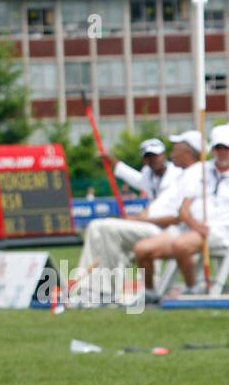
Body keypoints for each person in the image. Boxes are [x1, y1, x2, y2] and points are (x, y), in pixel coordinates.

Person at [75, 132, 200, 304]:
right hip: (152, 226)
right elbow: (139, 183)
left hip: (164, 231)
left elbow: (177, 216)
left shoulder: (183, 176)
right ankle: (94, 289)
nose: (153, 160)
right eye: (148, 157)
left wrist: (140, 219)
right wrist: (113, 161)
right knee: (97, 227)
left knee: (101, 227)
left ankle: (103, 290)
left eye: (156, 155)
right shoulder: (153, 175)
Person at [135, 126, 229, 293]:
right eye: (218, 148)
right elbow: (183, 208)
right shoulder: (201, 171)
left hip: (219, 231)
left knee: (181, 245)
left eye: (226, 148)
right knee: (142, 249)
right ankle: (150, 293)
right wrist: (194, 224)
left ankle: (193, 288)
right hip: (190, 227)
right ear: (213, 150)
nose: (221, 152)